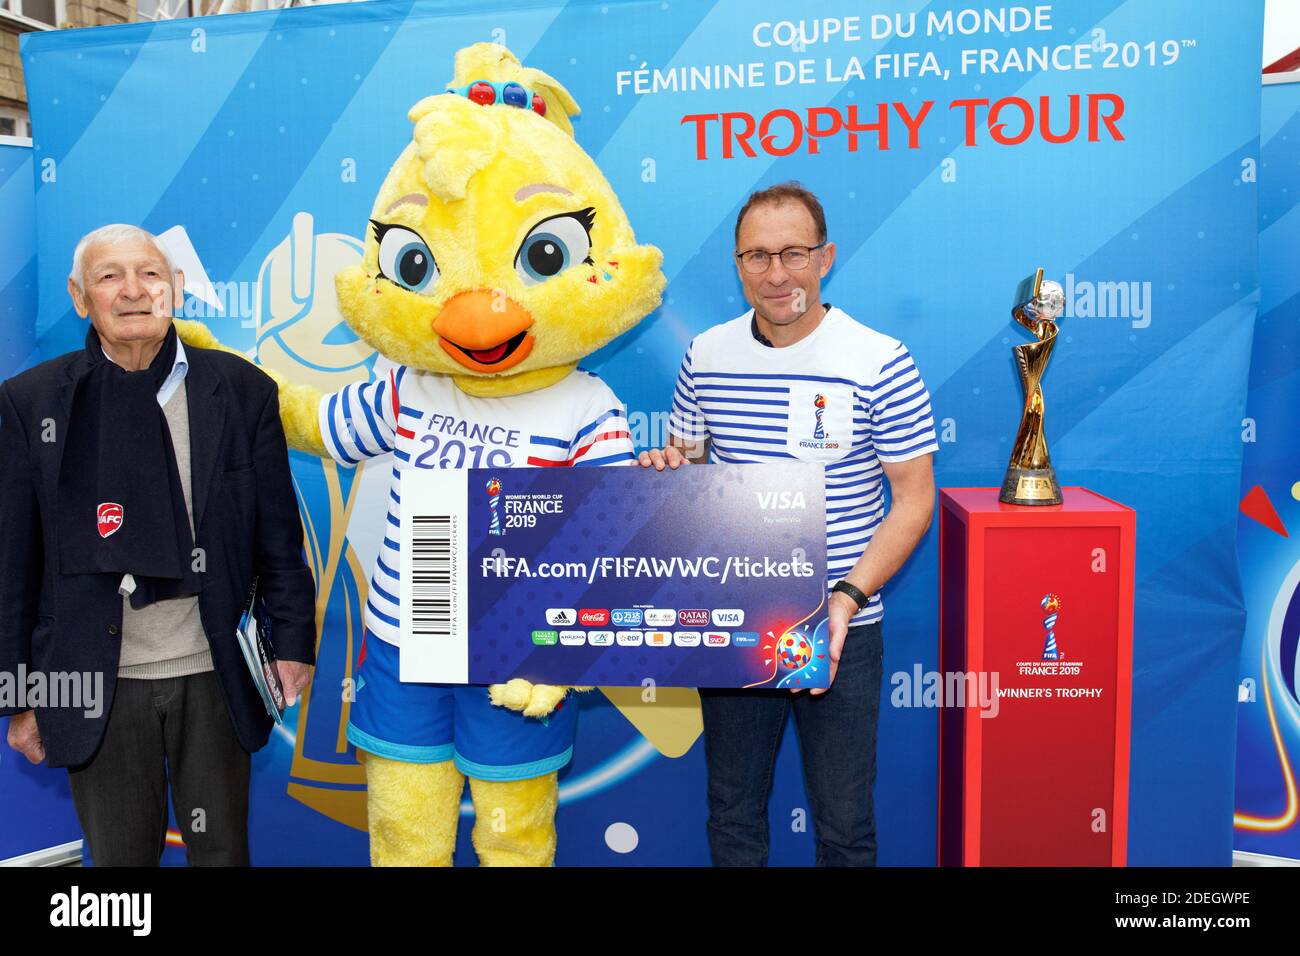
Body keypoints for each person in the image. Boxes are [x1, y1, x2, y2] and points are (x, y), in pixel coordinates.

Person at [640, 182, 938, 866]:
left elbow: (914, 499)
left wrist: (847, 598)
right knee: (734, 815)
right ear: (737, 265)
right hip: (739, 622)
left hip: (841, 626)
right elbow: (693, 471)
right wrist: (666, 470)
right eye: (757, 256)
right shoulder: (707, 356)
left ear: (825, 258)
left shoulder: (879, 360)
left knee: (844, 826)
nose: (776, 274)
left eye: (793, 253)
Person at [0, 224, 317, 866]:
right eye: (108, 276)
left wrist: (292, 644)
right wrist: (20, 694)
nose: (132, 291)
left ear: (174, 288)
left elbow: (279, 536)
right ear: (80, 296)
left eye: (148, 273)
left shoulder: (242, 390)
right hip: (93, 682)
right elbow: (13, 563)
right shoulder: (30, 402)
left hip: (213, 672)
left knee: (221, 853)